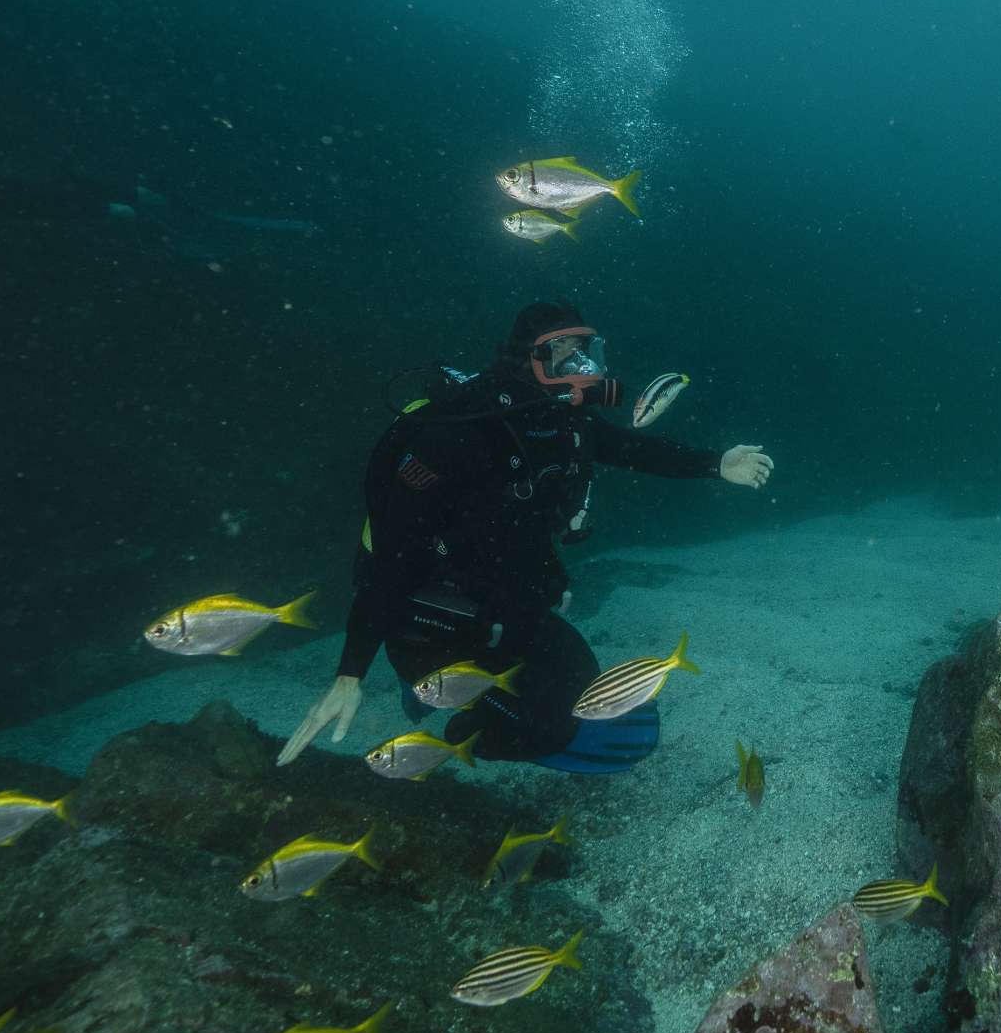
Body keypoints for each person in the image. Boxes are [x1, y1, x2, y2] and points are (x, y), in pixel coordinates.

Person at [276, 302, 773, 772]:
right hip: (426, 619)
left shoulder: (564, 421)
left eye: (585, 353)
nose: (579, 368)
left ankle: (466, 693)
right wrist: (350, 673)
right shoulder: (457, 431)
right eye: (562, 355)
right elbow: (389, 559)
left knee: (585, 695)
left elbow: (632, 449)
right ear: (527, 359)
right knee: (550, 727)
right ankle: (448, 719)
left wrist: (715, 464)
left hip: (503, 601)